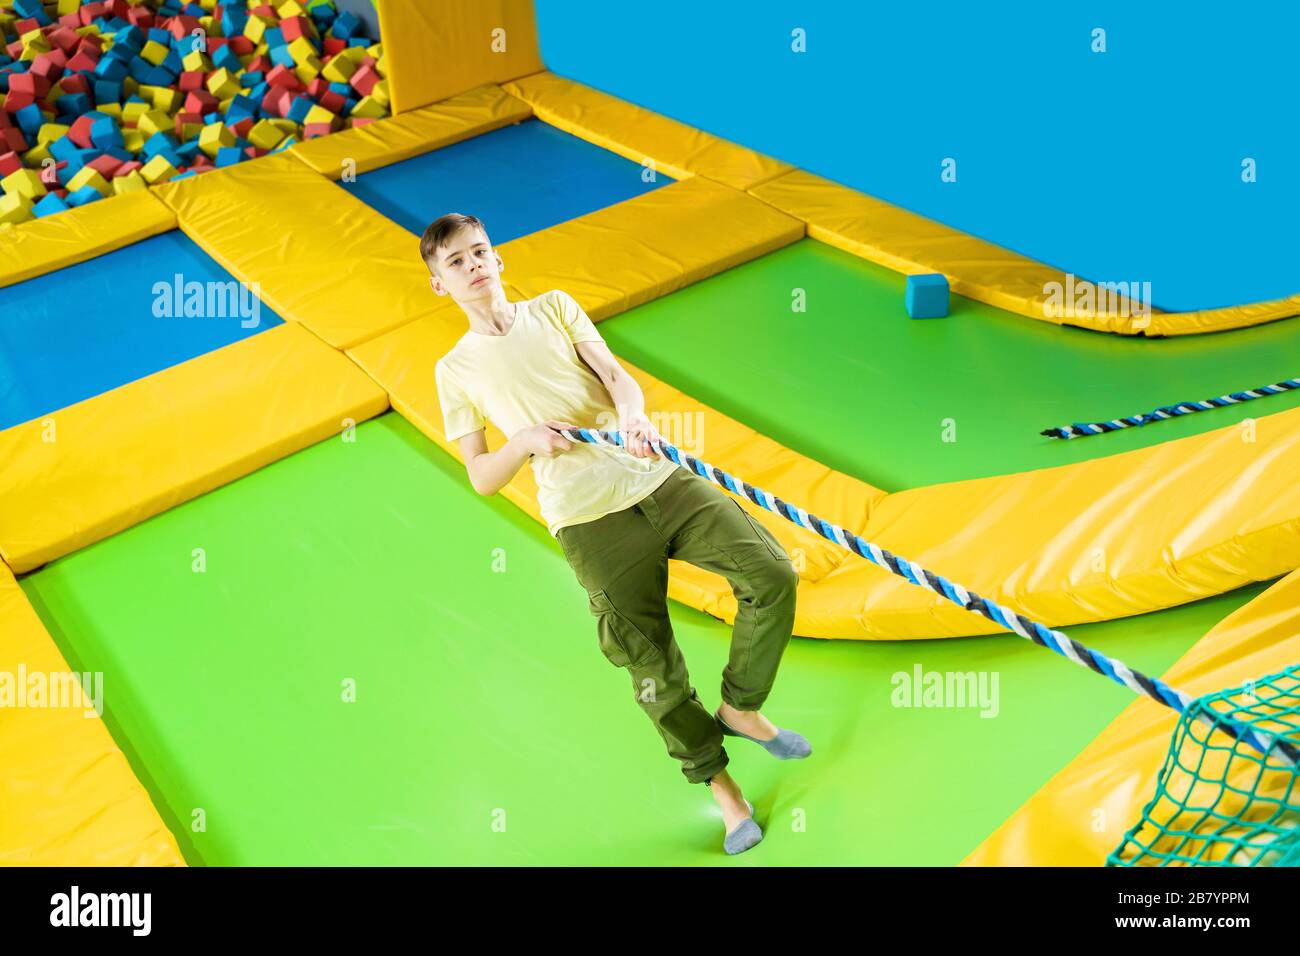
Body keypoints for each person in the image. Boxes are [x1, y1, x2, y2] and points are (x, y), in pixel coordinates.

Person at [425, 212, 810, 854]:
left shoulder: (554, 307)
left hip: (656, 479)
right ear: (439, 284)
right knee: (650, 664)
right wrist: (521, 442)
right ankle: (724, 792)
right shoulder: (455, 369)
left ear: (498, 258)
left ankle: (742, 707)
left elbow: (616, 378)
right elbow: (482, 475)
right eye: (456, 262)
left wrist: (633, 417)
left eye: (480, 252)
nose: (473, 266)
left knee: (771, 572)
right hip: (587, 521)